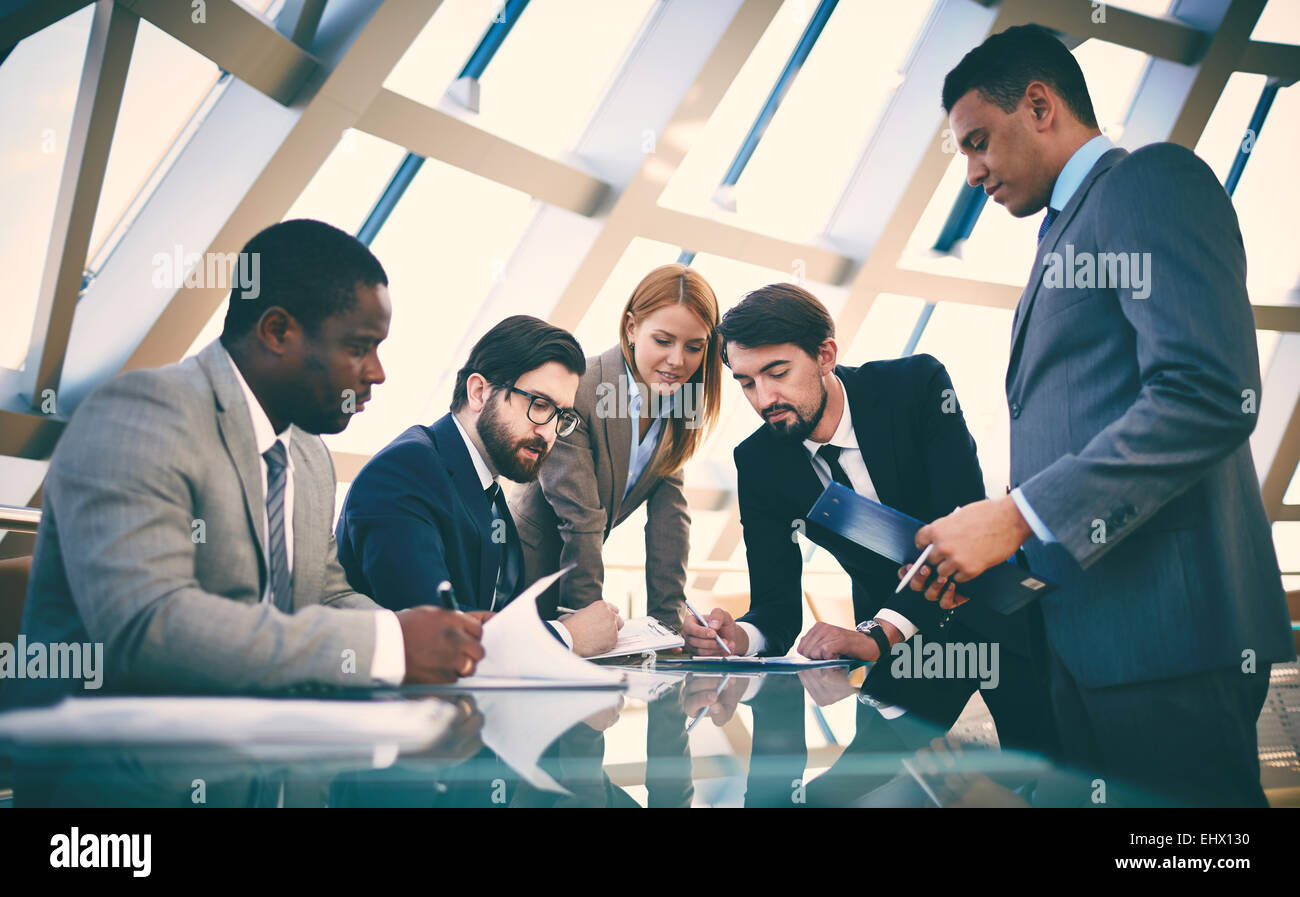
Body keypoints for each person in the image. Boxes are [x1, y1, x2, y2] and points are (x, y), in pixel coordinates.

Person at [906, 24, 1294, 806]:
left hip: (1165, 643)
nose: (973, 171)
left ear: (1041, 105)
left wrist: (1020, 514)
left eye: (979, 142)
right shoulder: (1066, 227)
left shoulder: (1150, 183)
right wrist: (1002, 554)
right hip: (1090, 641)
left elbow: (1209, 390)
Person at [9, 219, 483, 707]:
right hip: (120, 766)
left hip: (265, 751)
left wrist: (448, 639)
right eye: (358, 347)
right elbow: (149, 629)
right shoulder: (139, 417)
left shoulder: (308, 456)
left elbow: (325, 598)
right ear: (277, 331)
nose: (377, 373)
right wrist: (388, 646)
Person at [680, 284, 1055, 757]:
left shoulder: (916, 386)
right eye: (747, 382)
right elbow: (775, 609)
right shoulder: (759, 462)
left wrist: (878, 633)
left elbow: (957, 523)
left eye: (777, 373)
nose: (764, 398)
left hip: (989, 614)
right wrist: (739, 636)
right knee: (865, 780)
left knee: (1052, 768)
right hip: (901, 643)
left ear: (826, 355)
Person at [335, 315, 623, 656]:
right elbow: (436, 637)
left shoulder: (486, 489)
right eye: (540, 405)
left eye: (561, 417)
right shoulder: (406, 472)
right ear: (479, 392)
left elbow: (493, 621)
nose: (548, 432)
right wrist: (565, 638)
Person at [508, 263, 723, 629]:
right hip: (519, 579)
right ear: (632, 327)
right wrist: (587, 617)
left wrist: (668, 626)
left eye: (694, 347)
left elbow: (670, 522)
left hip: (571, 573)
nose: (677, 360)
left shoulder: (678, 403)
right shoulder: (580, 388)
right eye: (663, 340)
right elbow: (581, 517)